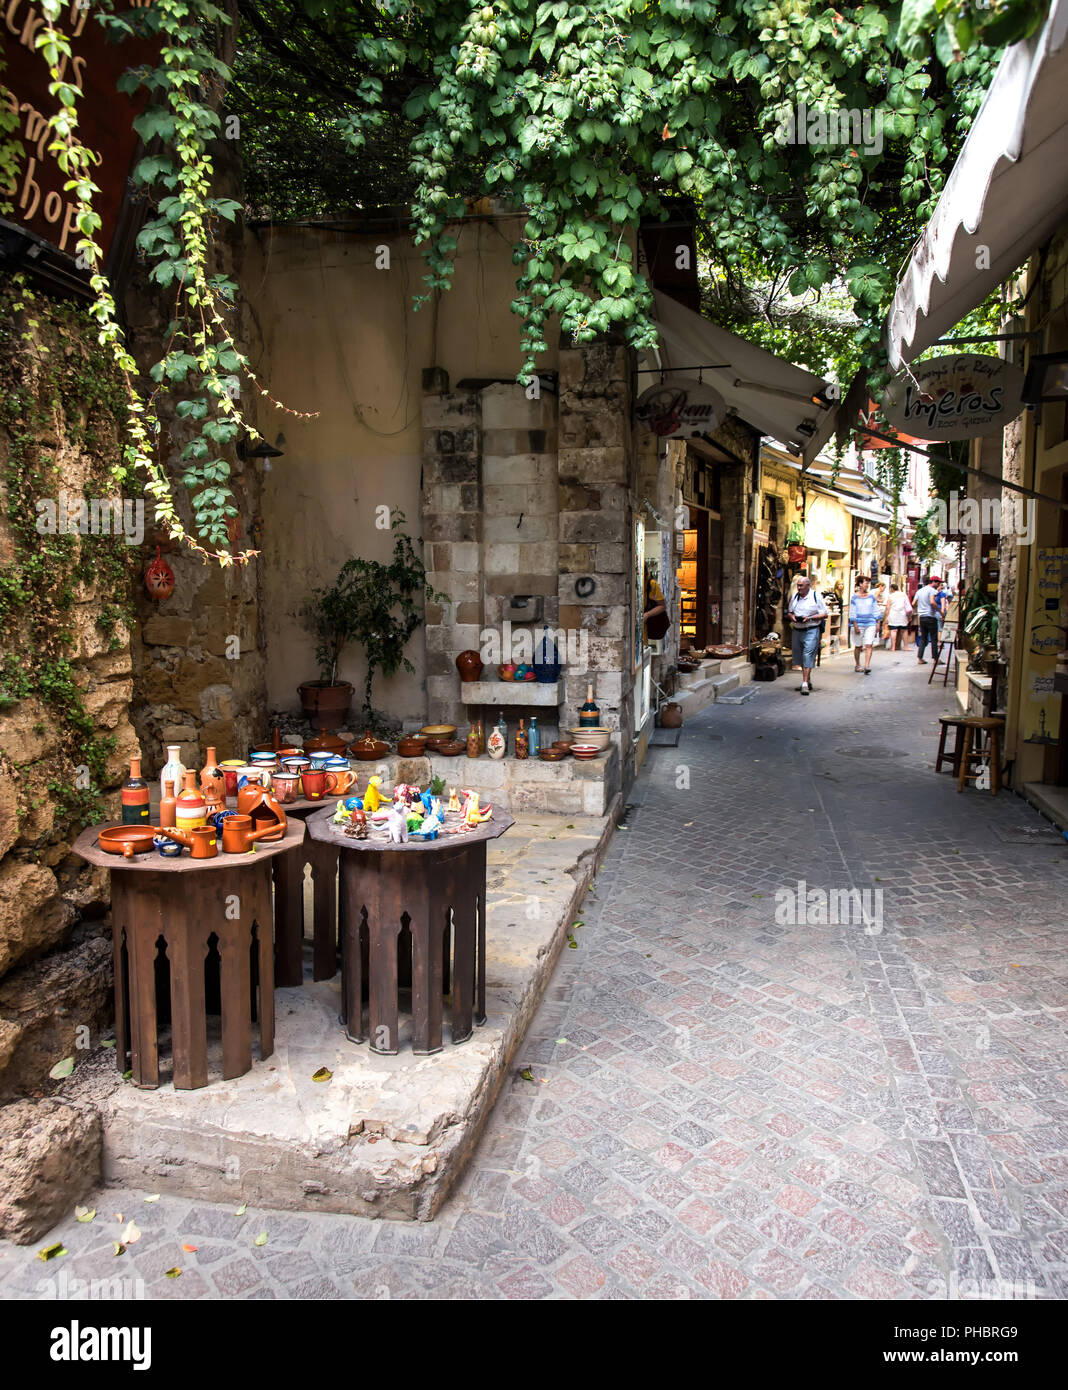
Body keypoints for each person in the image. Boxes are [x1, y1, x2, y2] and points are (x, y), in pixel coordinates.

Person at [788, 574, 827, 695]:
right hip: (797, 630)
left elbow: (824, 614)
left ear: (808, 586)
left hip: (811, 629)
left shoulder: (816, 596)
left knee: (808, 655)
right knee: (799, 656)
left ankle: (804, 684)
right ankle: (807, 680)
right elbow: (789, 612)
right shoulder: (795, 597)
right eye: (798, 585)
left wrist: (810, 618)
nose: (799, 588)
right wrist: (793, 617)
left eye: (801, 586)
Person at [849, 574, 883, 674]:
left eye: (868, 583)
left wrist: (878, 623)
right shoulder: (855, 597)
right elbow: (853, 611)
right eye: (866, 583)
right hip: (858, 623)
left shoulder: (871, 597)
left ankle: (867, 665)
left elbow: (876, 609)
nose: (867, 585)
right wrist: (855, 624)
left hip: (870, 623)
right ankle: (857, 664)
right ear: (860, 584)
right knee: (858, 646)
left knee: (869, 644)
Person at [914, 574, 943, 664]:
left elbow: (913, 602)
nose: (939, 585)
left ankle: (920, 658)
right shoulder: (932, 591)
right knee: (934, 638)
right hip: (930, 616)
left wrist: (921, 607)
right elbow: (932, 602)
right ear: (934, 582)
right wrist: (940, 611)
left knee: (924, 638)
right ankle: (935, 659)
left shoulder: (920, 591)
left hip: (922, 617)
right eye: (938, 583)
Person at [884, 582, 913, 651]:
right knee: (904, 630)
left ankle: (893, 647)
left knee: (893, 630)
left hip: (893, 614)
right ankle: (906, 646)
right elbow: (908, 605)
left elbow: (888, 608)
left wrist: (885, 618)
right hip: (902, 615)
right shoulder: (903, 594)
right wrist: (909, 616)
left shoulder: (891, 596)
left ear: (891, 589)